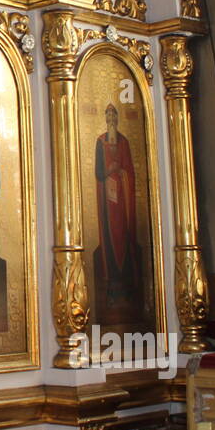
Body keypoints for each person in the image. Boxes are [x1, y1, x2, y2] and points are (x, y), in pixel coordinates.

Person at [93, 102, 142, 321]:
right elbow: (98, 172)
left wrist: (121, 173)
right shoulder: (100, 142)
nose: (111, 119)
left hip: (122, 200)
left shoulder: (124, 142)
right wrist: (108, 171)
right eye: (108, 115)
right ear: (105, 119)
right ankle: (113, 287)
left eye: (114, 116)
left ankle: (128, 287)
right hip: (107, 202)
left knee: (124, 236)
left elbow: (130, 171)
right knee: (110, 239)